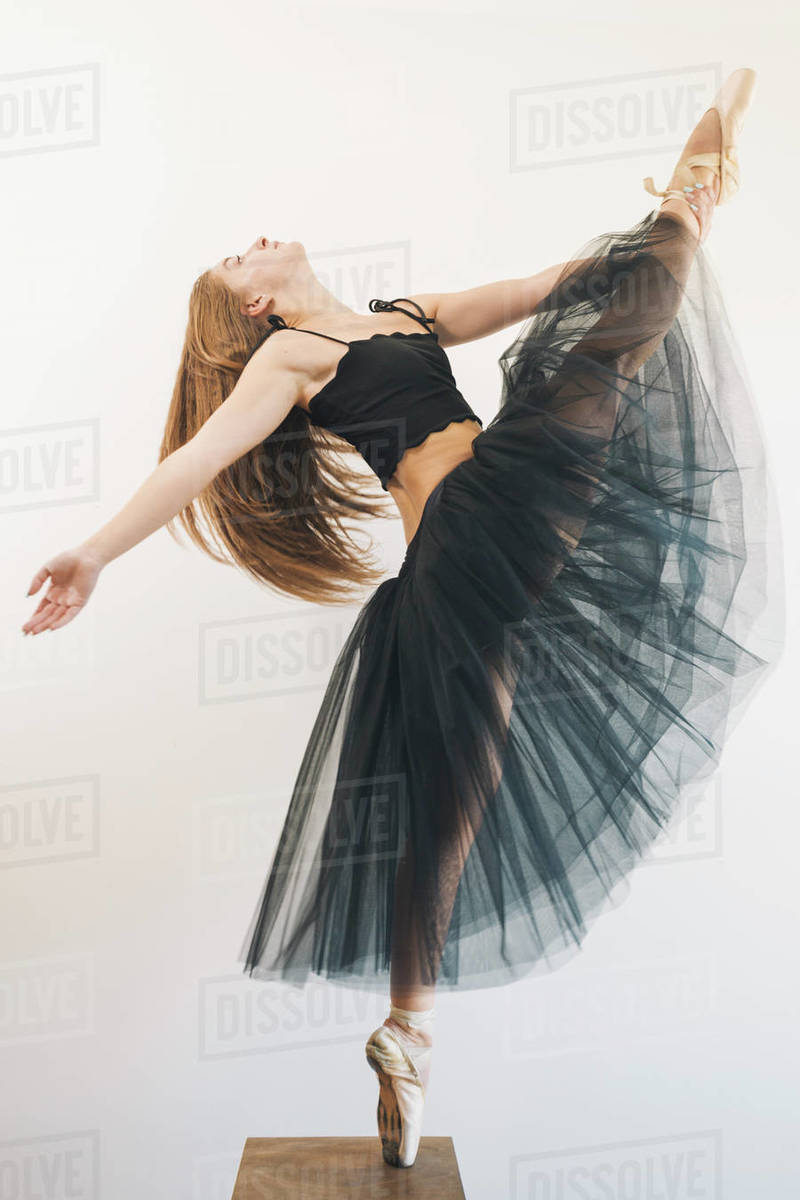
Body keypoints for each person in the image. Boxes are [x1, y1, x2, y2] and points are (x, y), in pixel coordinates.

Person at [21, 68, 782, 1170]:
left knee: (458, 790)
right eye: (240, 257)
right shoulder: (294, 356)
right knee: (454, 798)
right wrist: (91, 553)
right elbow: (195, 460)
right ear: (255, 304)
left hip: (500, 552)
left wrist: (624, 257)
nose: (257, 242)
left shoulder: (406, 315)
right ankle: (411, 1030)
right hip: (472, 532)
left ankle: (679, 210)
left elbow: (533, 288)